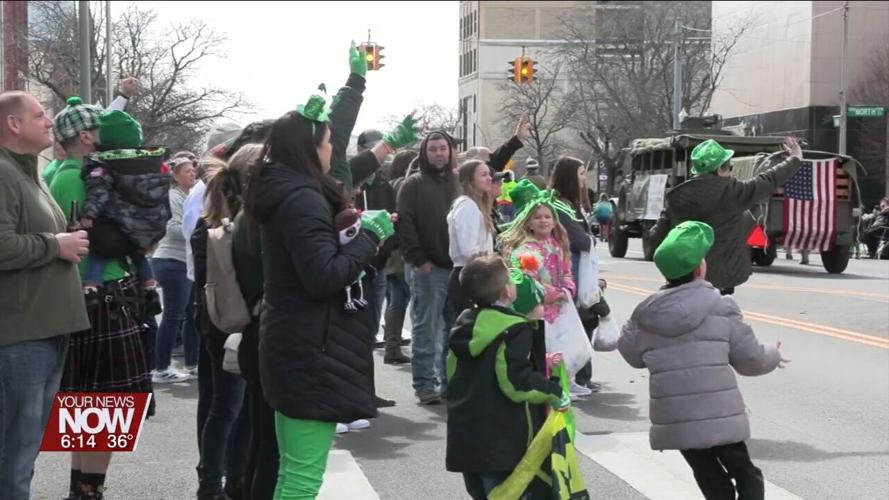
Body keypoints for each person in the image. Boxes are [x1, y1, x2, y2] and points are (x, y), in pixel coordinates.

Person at [244, 93, 395, 499]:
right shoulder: (302, 199)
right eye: (329, 142)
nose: (333, 150)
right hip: (310, 348)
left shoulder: (291, 191)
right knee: (302, 480)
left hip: (296, 343)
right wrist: (370, 237)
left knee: (292, 473)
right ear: (311, 149)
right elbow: (324, 275)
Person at [619, 221, 790, 500]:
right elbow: (751, 360)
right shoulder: (721, 306)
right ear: (700, 268)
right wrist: (774, 354)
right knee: (746, 473)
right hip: (719, 416)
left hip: (677, 418)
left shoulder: (645, 315)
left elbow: (631, 355)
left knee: (710, 478)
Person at [0, 90, 90, 500]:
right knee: (13, 458)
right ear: (13, 124)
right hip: (20, 336)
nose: (50, 121)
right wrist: (57, 245)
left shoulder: (28, 170)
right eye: (40, 115)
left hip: (45, 332)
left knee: (24, 454)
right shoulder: (3, 172)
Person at [446, 254, 568, 499]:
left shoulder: (465, 324)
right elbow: (516, 382)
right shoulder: (513, 329)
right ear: (507, 293)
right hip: (501, 436)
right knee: (506, 492)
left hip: (466, 433)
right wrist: (552, 390)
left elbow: (452, 373)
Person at [651, 136, 803, 295]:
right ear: (720, 169)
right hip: (721, 281)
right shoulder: (732, 192)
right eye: (729, 166)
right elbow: (768, 179)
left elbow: (656, 237)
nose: (730, 171)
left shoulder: (676, 198)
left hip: (684, 279)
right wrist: (795, 159)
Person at [193, 149, 255, 500]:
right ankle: (216, 479)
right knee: (229, 407)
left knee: (235, 407)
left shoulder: (216, 219)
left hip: (220, 321)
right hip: (230, 322)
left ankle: (228, 478)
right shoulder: (225, 223)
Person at [77, 110, 170, 314]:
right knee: (138, 252)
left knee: (100, 251)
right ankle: (150, 287)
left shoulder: (104, 163)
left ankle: (91, 287)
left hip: (120, 222)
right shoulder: (153, 163)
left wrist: (88, 214)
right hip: (149, 225)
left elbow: (98, 190)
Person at [501, 180, 587, 397]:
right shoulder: (525, 250)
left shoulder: (557, 245)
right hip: (538, 310)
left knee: (563, 346)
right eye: (538, 217)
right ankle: (548, 385)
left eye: (548, 216)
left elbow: (566, 271)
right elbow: (528, 282)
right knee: (543, 349)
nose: (543, 221)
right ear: (528, 223)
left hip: (559, 308)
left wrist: (567, 288)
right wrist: (551, 295)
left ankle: (565, 381)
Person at [396, 130, 460, 405]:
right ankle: (424, 385)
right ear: (425, 152)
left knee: (453, 331)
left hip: (457, 269)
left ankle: (448, 383)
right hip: (429, 270)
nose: (439, 153)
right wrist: (419, 260)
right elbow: (404, 224)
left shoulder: (459, 182)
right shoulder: (413, 185)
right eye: (433, 149)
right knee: (426, 329)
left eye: (443, 148)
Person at [549, 157, 608, 392]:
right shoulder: (560, 204)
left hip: (579, 266)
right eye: (581, 173)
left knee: (584, 318)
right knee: (574, 321)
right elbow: (579, 238)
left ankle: (581, 376)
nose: (585, 179)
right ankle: (573, 378)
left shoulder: (574, 202)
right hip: (569, 266)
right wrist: (589, 240)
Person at [152, 155, 200, 382]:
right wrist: (199, 231)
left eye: (193, 170)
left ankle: (192, 363)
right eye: (188, 170)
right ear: (175, 175)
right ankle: (160, 367)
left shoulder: (188, 195)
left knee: (190, 314)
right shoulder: (172, 196)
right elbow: (172, 229)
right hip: (171, 261)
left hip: (184, 262)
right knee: (173, 315)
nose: (193, 173)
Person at [382, 150, 419, 365]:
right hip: (401, 248)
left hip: (391, 247)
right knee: (401, 299)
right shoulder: (407, 185)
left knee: (396, 299)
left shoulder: (390, 184)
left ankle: (391, 343)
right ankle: (393, 345)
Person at [446, 160, 496, 317]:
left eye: (489, 174)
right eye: (483, 175)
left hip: (475, 274)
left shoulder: (475, 206)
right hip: (470, 275)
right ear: (470, 180)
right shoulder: (467, 207)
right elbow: (469, 251)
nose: (489, 178)